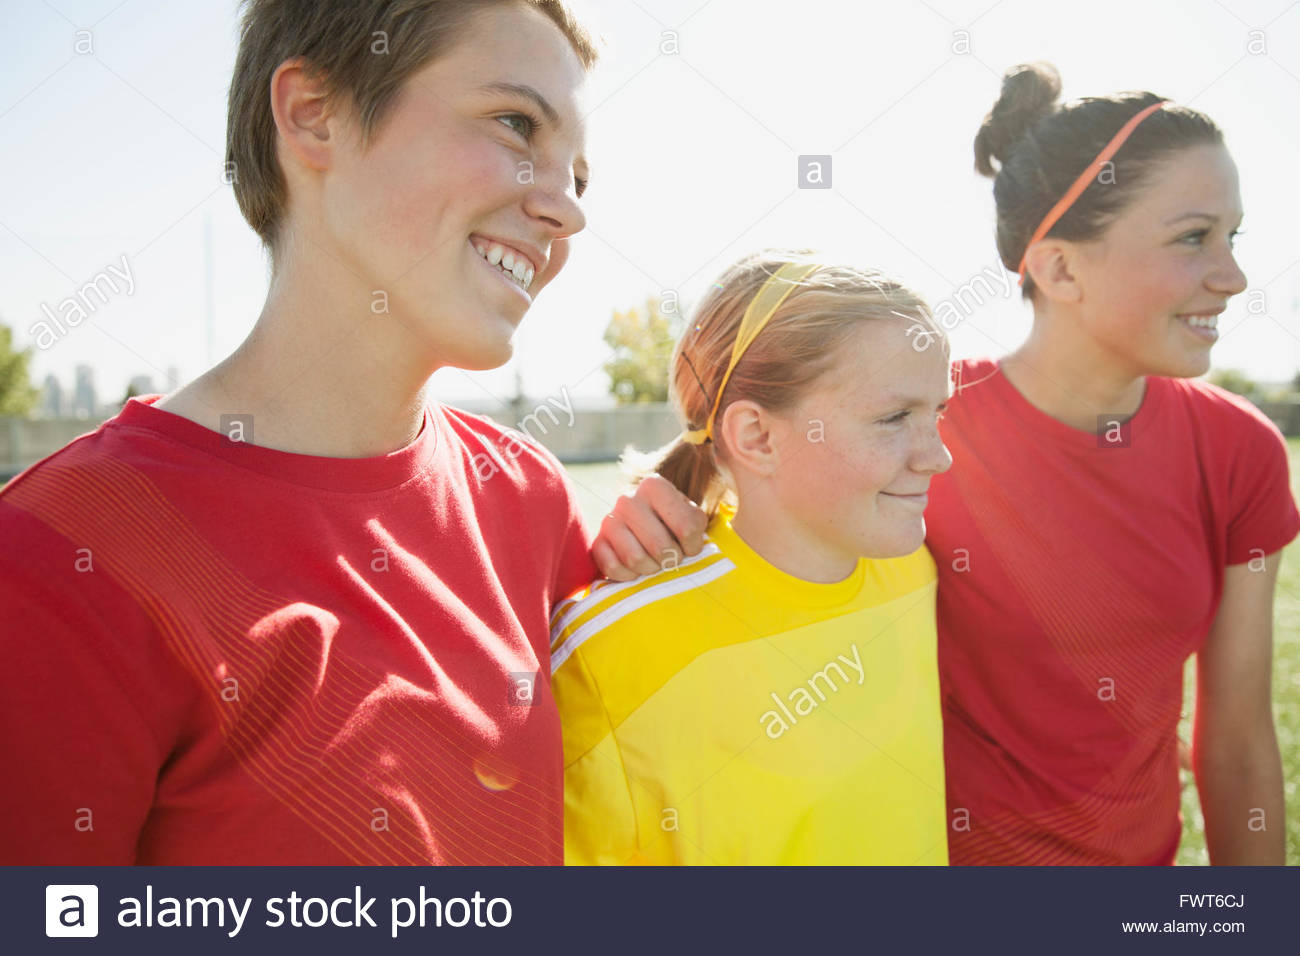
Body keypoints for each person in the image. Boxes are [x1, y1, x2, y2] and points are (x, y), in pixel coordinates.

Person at [0, 0, 698, 865]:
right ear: (312, 115)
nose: (568, 211)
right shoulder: (56, 558)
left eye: (578, 177)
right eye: (516, 124)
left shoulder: (529, 498)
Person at [591, 65, 1299, 866]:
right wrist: (653, 501)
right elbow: (768, 481)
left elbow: (1237, 734)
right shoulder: (916, 420)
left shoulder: (1240, 452)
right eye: (1192, 237)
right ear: (1060, 269)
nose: (1233, 276)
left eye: (1233, 237)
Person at [553, 252, 953, 864]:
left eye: (938, 413)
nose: (938, 457)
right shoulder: (610, 657)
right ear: (756, 437)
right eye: (895, 418)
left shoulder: (914, 569)